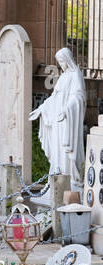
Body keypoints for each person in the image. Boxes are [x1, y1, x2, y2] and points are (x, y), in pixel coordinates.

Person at [31, 47, 85, 186]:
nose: (60, 63)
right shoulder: (63, 76)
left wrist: (67, 109)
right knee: (57, 152)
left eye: (62, 60)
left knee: (65, 151)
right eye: (58, 61)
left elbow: (78, 97)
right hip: (57, 120)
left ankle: (69, 180)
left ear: (68, 59)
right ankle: (57, 180)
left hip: (67, 120)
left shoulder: (75, 74)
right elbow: (54, 98)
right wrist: (41, 109)